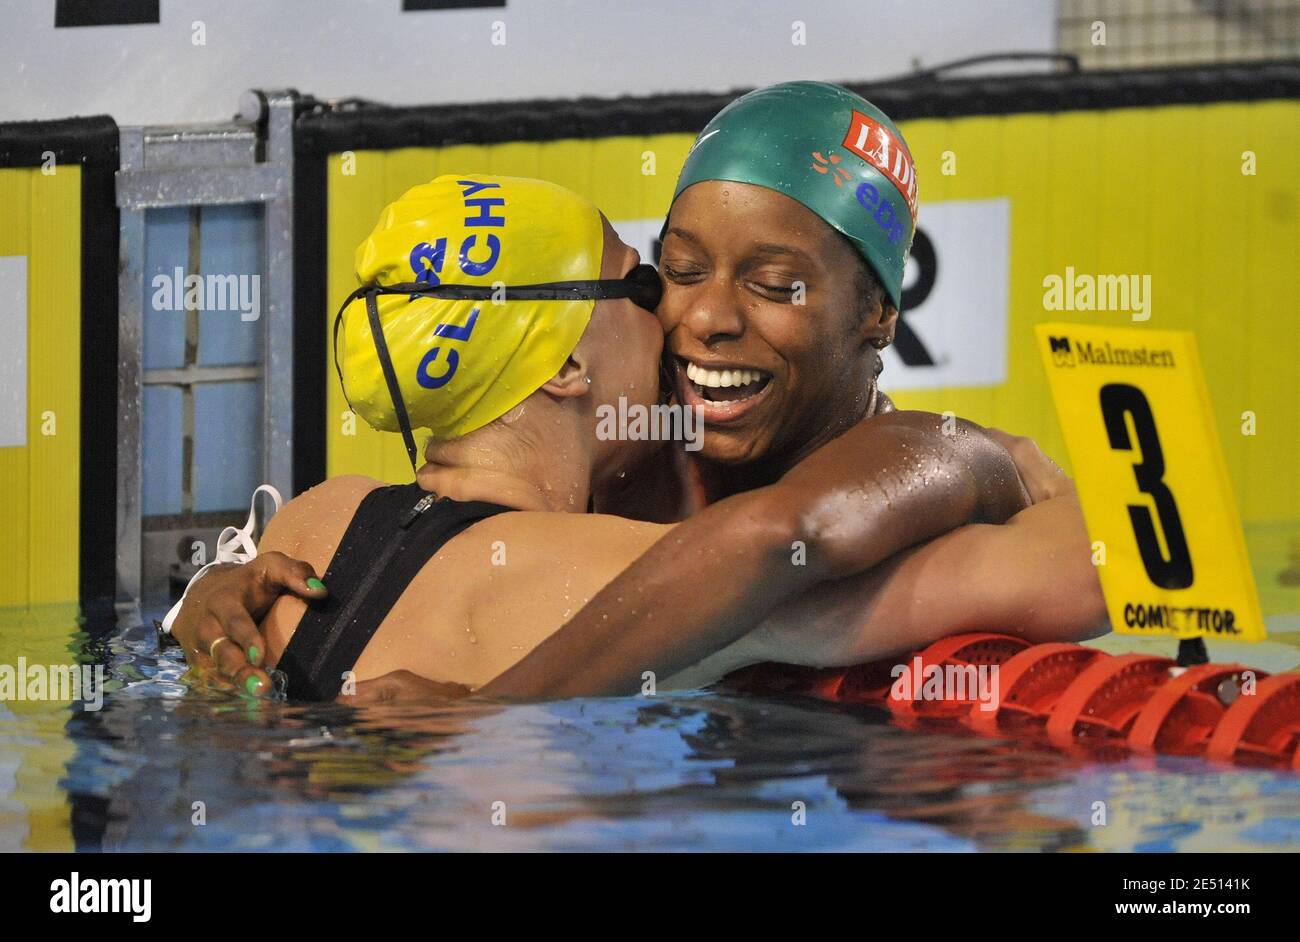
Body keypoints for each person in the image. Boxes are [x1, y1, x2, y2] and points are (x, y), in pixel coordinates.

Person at [172, 83, 1108, 700]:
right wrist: (204, 596)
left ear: (876, 313)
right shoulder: (627, 463)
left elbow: (781, 536)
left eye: (775, 283)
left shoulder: (320, 521)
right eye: (671, 272)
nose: (699, 318)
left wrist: (976, 453)